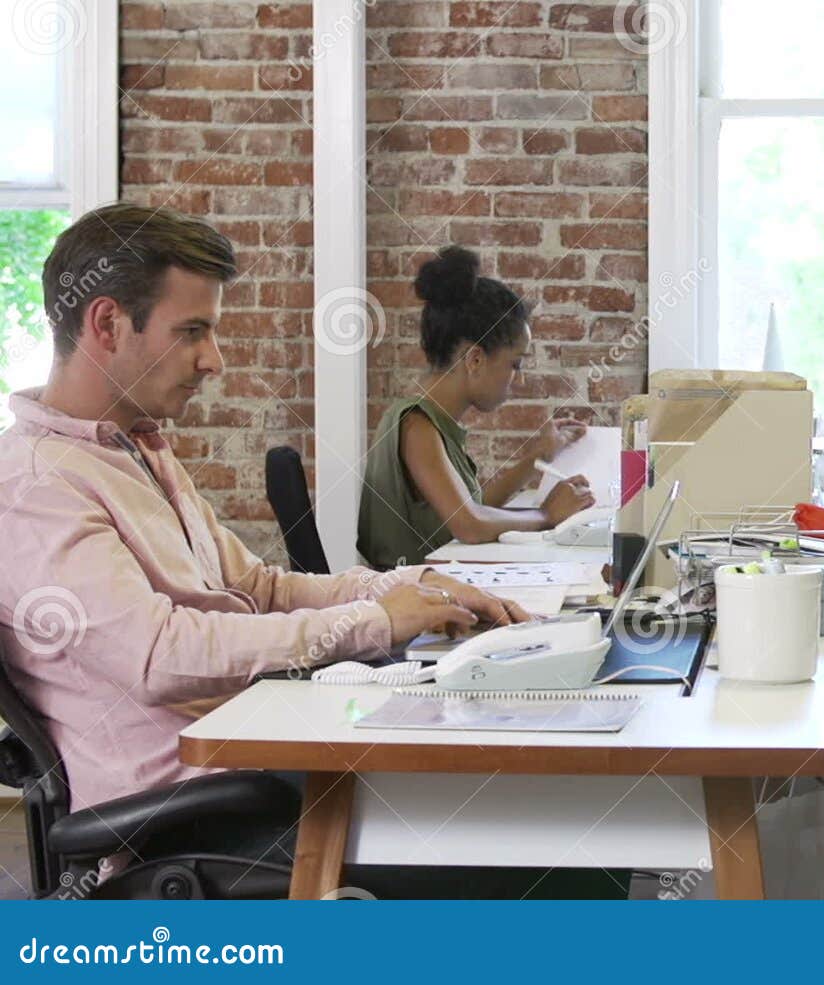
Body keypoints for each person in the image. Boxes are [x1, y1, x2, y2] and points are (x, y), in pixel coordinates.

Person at [0, 204, 525, 815]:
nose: (214, 360)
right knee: (515, 809)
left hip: (262, 745)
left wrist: (412, 585)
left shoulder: (137, 448)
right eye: (192, 331)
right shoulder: (34, 489)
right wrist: (376, 622)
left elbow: (261, 588)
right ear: (109, 324)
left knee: (510, 770)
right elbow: (159, 655)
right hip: (200, 809)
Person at [357, 246, 596, 570]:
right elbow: (470, 524)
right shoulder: (417, 426)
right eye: (515, 363)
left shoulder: (432, 422)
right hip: (415, 605)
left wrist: (535, 458)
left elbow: (474, 508)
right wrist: (546, 516)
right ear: (475, 359)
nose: (519, 379)